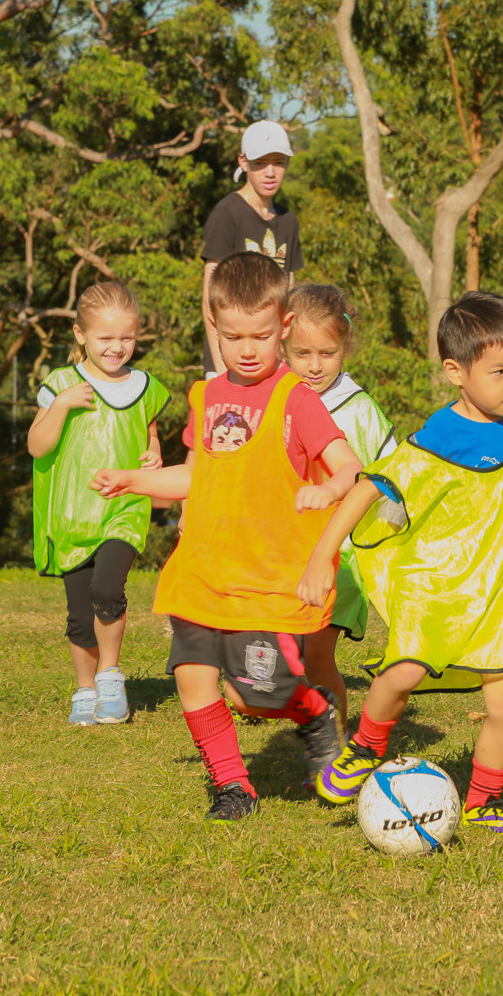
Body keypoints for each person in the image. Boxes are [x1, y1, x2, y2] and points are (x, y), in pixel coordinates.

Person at [299, 292, 503, 838]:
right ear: (456, 372)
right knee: (401, 674)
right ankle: (365, 746)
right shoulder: (440, 435)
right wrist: (322, 554)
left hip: (495, 599)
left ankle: (484, 802)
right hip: (434, 591)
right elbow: (370, 485)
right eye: (500, 370)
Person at [90, 251, 363, 823]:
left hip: (266, 578)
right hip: (202, 569)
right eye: (233, 336)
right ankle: (233, 786)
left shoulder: (298, 400)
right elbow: (199, 474)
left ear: (283, 327)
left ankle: (311, 712)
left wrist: (329, 488)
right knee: (192, 676)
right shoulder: (206, 397)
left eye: (260, 336)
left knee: (251, 693)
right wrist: (133, 480)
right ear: (214, 327)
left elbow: (350, 465)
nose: (246, 349)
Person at [28, 281, 170, 727]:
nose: (117, 347)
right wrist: (62, 406)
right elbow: (36, 446)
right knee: (79, 616)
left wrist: (153, 452)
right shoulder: (60, 384)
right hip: (71, 515)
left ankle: (111, 676)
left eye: (126, 338)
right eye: (105, 338)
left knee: (108, 591)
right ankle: (85, 689)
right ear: (80, 335)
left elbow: (148, 435)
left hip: (123, 511)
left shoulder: (146, 386)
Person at [283, 283, 399, 723]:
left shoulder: (361, 409)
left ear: (345, 348)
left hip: (342, 560)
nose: (314, 367)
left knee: (316, 655)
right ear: (283, 344)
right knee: (275, 657)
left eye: (326, 354)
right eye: (302, 354)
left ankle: (335, 745)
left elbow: (391, 480)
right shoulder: (277, 400)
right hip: (283, 552)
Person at [201, 120, 301, 376]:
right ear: (243, 162)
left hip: (271, 364)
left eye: (278, 162)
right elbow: (209, 300)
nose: (270, 172)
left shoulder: (288, 221)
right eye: (260, 163)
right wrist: (223, 375)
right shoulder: (227, 214)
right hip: (229, 364)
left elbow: (288, 296)